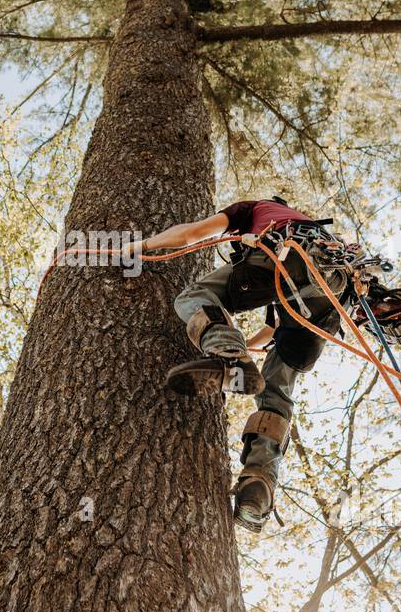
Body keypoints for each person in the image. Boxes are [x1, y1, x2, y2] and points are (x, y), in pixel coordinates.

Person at [137, 197, 343, 533]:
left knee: (194, 297)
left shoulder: (254, 209)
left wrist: (142, 245)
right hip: (327, 298)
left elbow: (194, 233)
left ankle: (229, 357)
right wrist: (246, 347)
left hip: (284, 259)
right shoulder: (323, 234)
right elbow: (275, 328)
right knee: (276, 390)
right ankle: (258, 484)